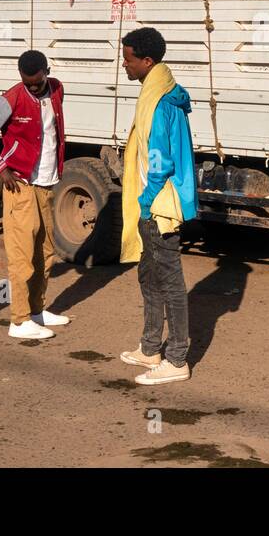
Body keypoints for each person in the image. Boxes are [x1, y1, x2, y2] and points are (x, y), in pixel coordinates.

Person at [0, 50, 69, 340]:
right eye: (27, 82)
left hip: (47, 182)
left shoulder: (58, 89)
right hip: (19, 184)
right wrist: (1, 167)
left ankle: (37, 309)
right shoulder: (10, 98)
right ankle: (19, 319)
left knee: (45, 249)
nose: (32, 87)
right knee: (22, 253)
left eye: (37, 83)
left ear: (46, 72)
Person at [117, 27, 197, 386]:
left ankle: (177, 358)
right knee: (148, 275)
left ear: (147, 62)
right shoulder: (158, 92)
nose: (125, 65)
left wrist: (146, 202)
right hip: (153, 202)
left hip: (161, 205)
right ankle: (150, 347)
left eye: (129, 59)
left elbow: (161, 161)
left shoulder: (160, 101)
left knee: (170, 282)